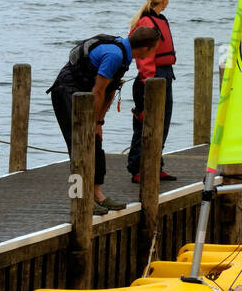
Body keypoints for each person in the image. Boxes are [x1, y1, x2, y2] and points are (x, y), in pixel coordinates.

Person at [48, 27, 161, 214]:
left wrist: (98, 123)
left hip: (86, 95)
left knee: (96, 143)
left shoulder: (125, 56)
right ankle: (79, 199)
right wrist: (91, 123)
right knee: (78, 145)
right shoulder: (114, 55)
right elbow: (98, 91)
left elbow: (110, 91)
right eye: (154, 49)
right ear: (145, 49)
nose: (154, 53)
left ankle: (97, 195)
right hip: (66, 92)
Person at [127, 0, 177, 183]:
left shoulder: (159, 19)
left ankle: (155, 164)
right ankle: (137, 166)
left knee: (162, 123)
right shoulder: (147, 22)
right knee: (146, 122)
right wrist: (149, 81)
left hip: (165, 74)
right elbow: (144, 57)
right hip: (152, 78)